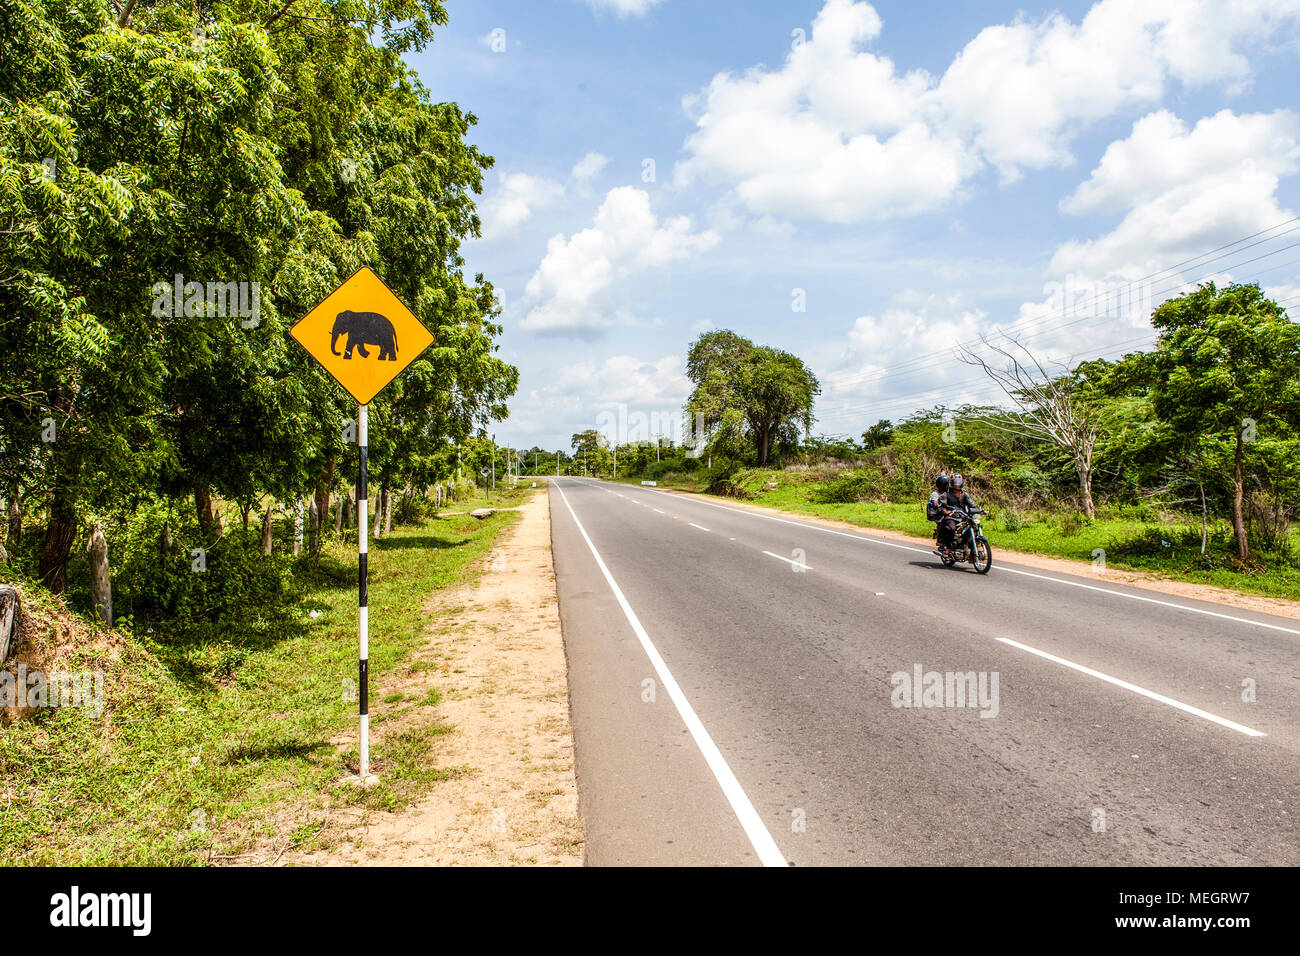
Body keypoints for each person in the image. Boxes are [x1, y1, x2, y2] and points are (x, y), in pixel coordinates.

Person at [934, 473, 978, 557]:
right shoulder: (946, 494)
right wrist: (945, 510)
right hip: (951, 516)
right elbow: (941, 505)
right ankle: (948, 548)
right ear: (951, 483)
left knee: (973, 526)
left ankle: (970, 546)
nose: (957, 484)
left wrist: (977, 510)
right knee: (951, 528)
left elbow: (972, 504)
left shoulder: (964, 494)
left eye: (958, 482)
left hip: (963, 517)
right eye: (955, 482)